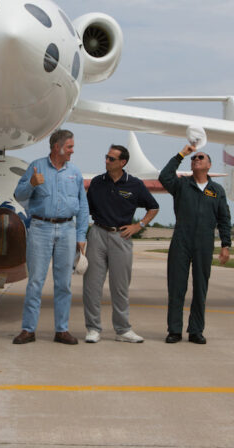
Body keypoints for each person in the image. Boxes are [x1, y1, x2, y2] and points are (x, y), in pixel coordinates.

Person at [12, 129, 89, 345]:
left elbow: (83, 205)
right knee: (35, 281)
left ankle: (61, 330)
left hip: (67, 230)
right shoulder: (36, 166)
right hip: (40, 228)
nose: (73, 151)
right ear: (57, 147)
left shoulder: (75, 171)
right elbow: (19, 194)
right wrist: (32, 183)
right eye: (70, 147)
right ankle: (28, 330)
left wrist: (81, 235)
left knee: (64, 283)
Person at [83, 145, 160, 343]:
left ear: (122, 162)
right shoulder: (97, 182)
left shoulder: (134, 184)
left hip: (121, 238)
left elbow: (153, 207)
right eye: (106, 157)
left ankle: (123, 330)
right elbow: (85, 209)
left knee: (120, 287)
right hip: (98, 234)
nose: (106, 161)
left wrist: (139, 225)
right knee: (92, 286)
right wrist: (82, 237)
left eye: (111, 159)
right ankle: (93, 329)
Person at [158, 145, 231, 345]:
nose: (196, 159)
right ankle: (174, 330)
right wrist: (181, 154)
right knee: (176, 286)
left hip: (204, 242)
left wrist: (226, 245)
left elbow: (224, 219)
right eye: (193, 158)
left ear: (208, 165)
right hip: (181, 239)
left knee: (200, 287)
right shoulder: (181, 185)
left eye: (200, 157)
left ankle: (196, 330)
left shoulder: (216, 191)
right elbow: (164, 176)